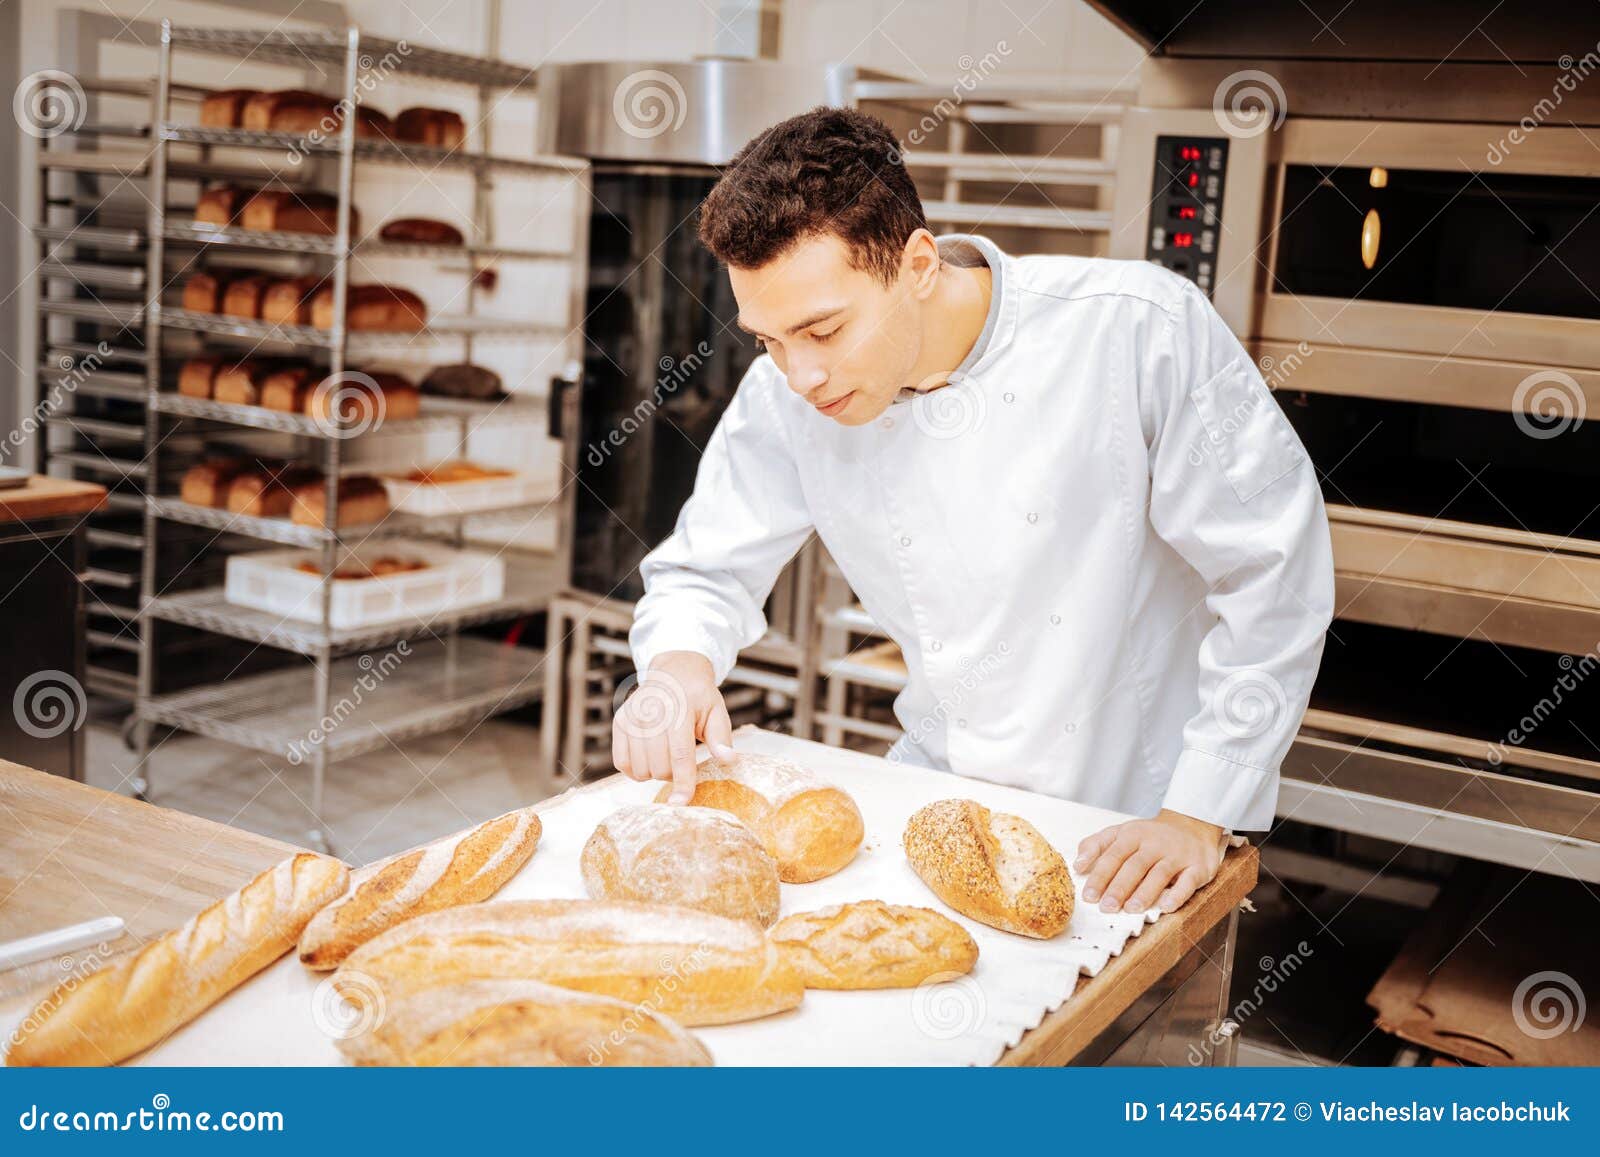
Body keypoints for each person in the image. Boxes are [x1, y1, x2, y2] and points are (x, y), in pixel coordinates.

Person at [613, 107, 1333, 917]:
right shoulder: (786, 397)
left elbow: (1275, 573)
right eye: (768, 340)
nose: (801, 375)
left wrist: (1201, 810)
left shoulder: (1134, 331)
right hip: (938, 795)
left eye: (823, 329)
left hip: (1138, 821)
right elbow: (707, 566)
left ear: (917, 264)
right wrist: (677, 669)